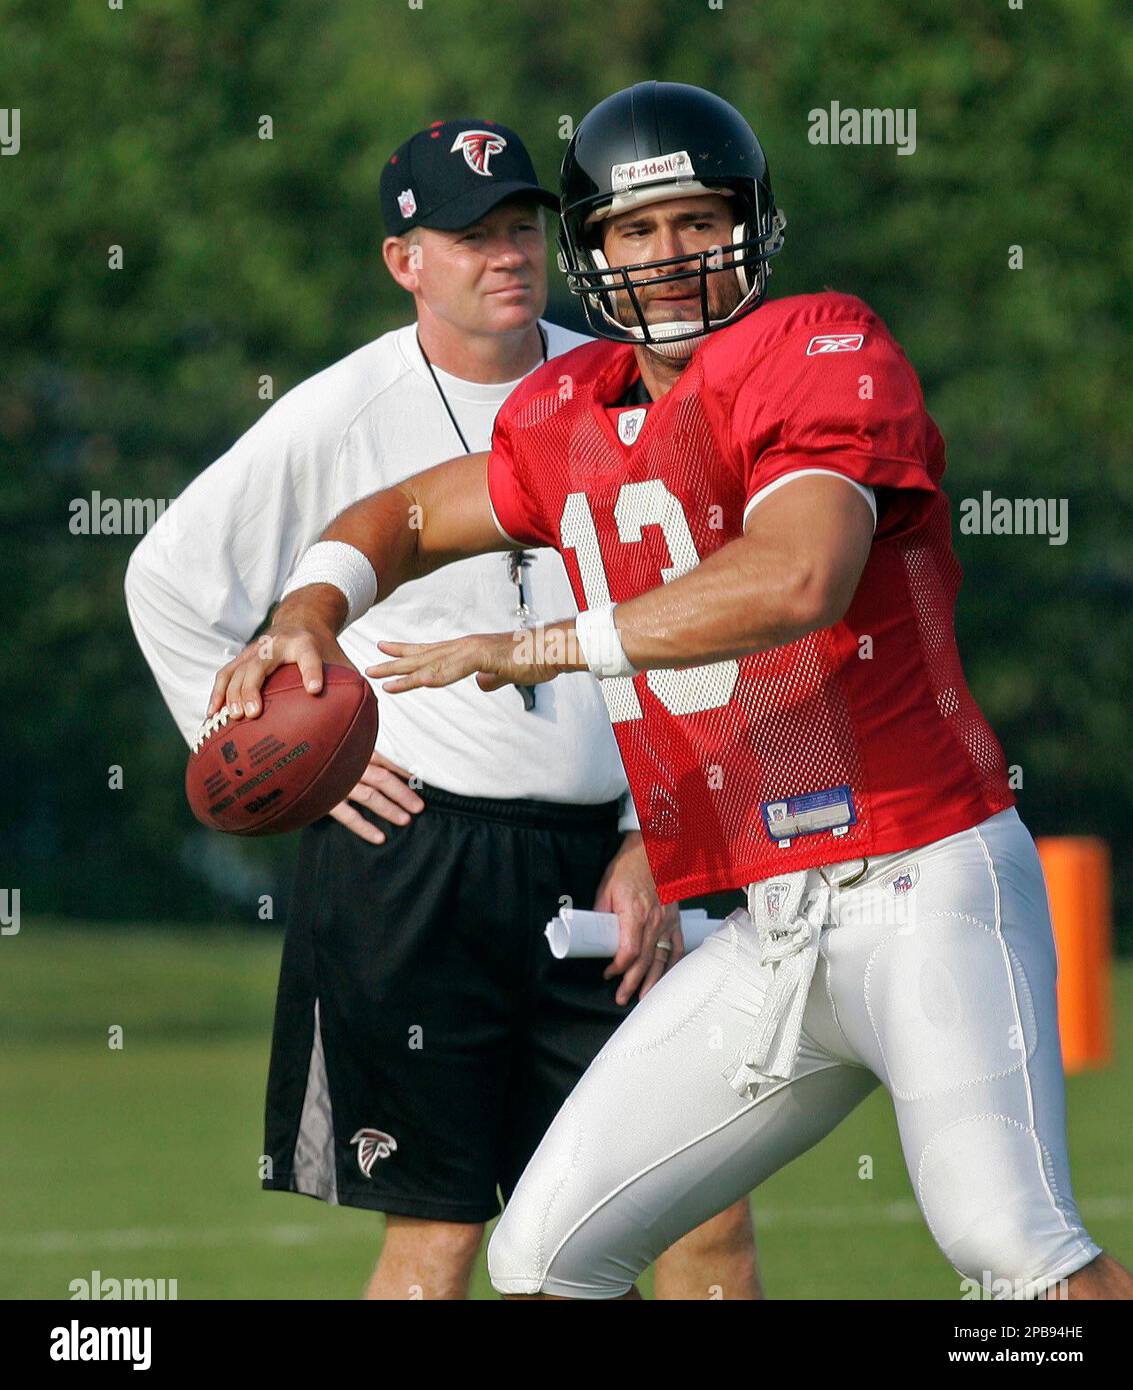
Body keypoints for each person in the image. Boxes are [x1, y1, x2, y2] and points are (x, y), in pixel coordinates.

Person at [204, 81, 1131, 1302]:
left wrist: (544, 648)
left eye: (696, 221)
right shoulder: (564, 410)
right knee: (543, 1255)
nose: (669, 255)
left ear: (752, 223)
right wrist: (311, 606)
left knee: (1009, 1248)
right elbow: (413, 512)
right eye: (634, 232)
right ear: (590, 251)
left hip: (921, 880)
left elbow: (799, 573)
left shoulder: (815, 347)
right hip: (764, 924)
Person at [126, 114, 759, 1301]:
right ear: (403, 259)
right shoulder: (337, 413)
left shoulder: (621, 385)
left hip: (613, 855)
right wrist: (272, 753)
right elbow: (164, 579)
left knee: (700, 1215)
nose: (506, 252)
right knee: (438, 1237)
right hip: (413, 858)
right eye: (470, 236)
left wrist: (653, 832)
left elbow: (702, 622)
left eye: (521, 226)